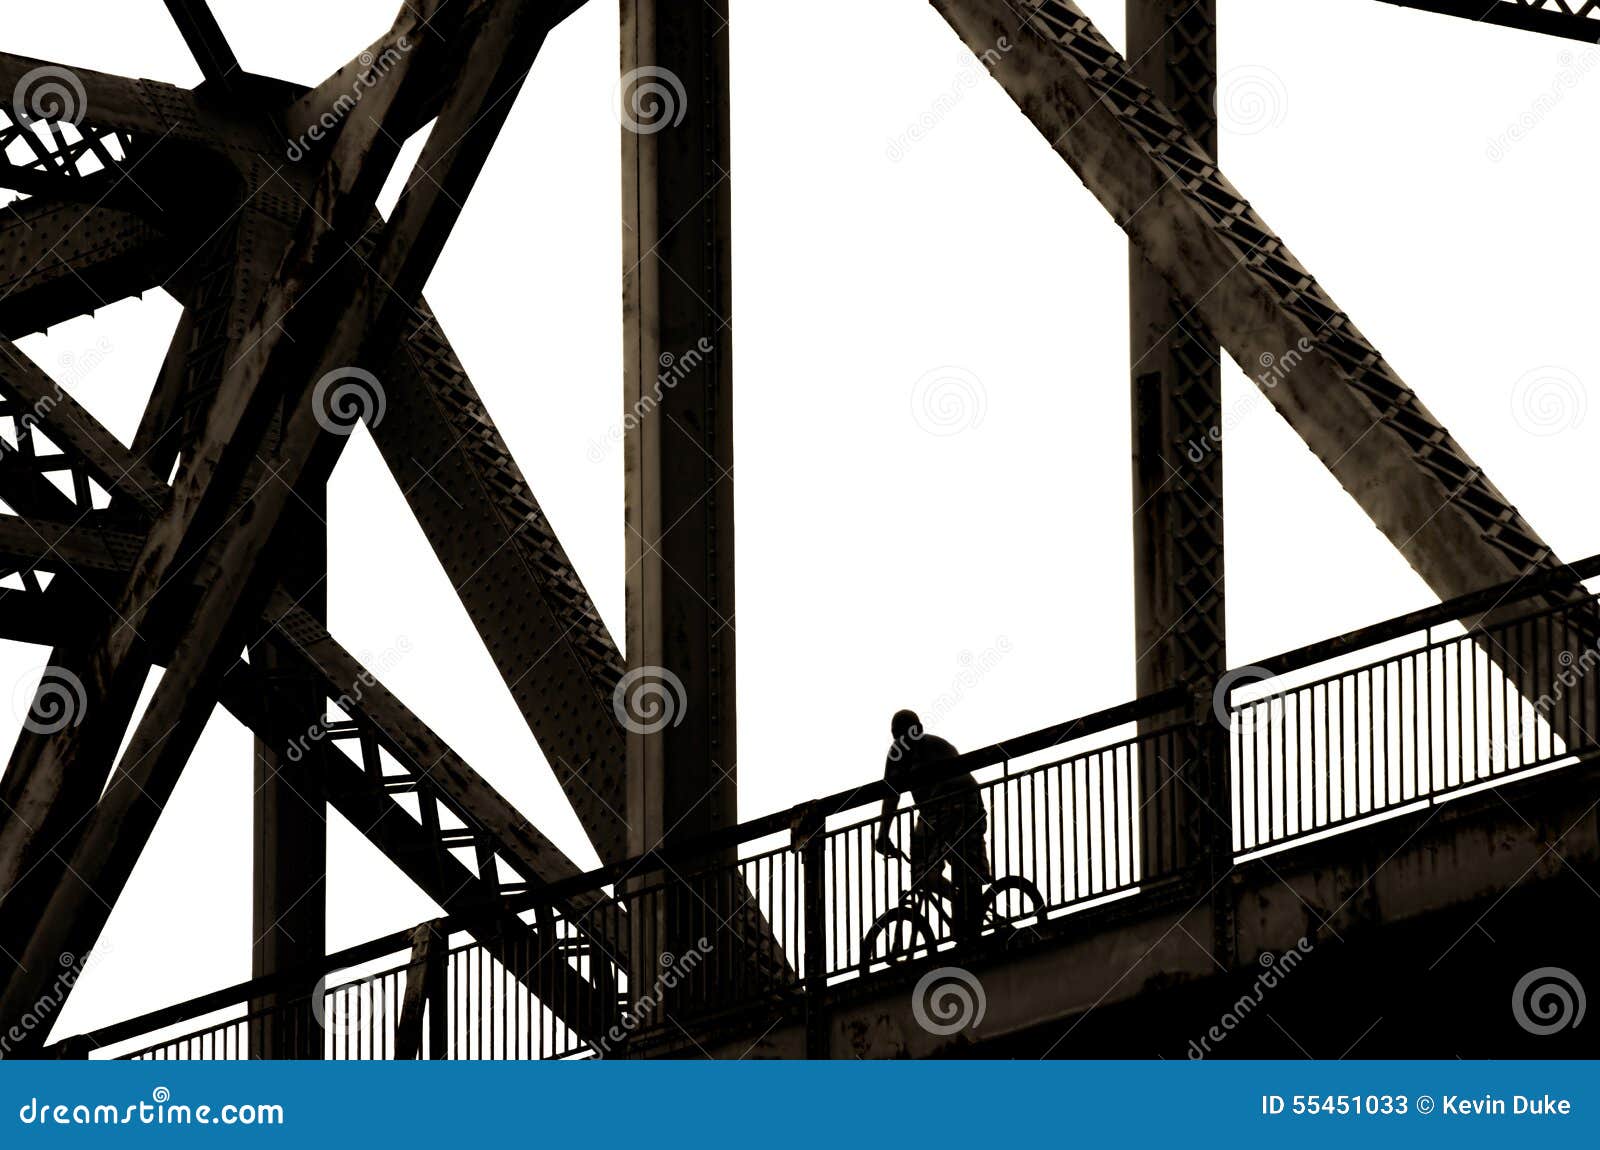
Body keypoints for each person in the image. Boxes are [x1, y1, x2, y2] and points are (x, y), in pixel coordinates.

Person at [873, 709, 991, 939]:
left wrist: (883, 835)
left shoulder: (927, 748)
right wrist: (883, 835)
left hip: (956, 804)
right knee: (929, 871)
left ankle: (968, 911)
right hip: (944, 808)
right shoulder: (906, 752)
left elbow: (892, 795)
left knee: (952, 867)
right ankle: (962, 904)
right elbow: (891, 795)